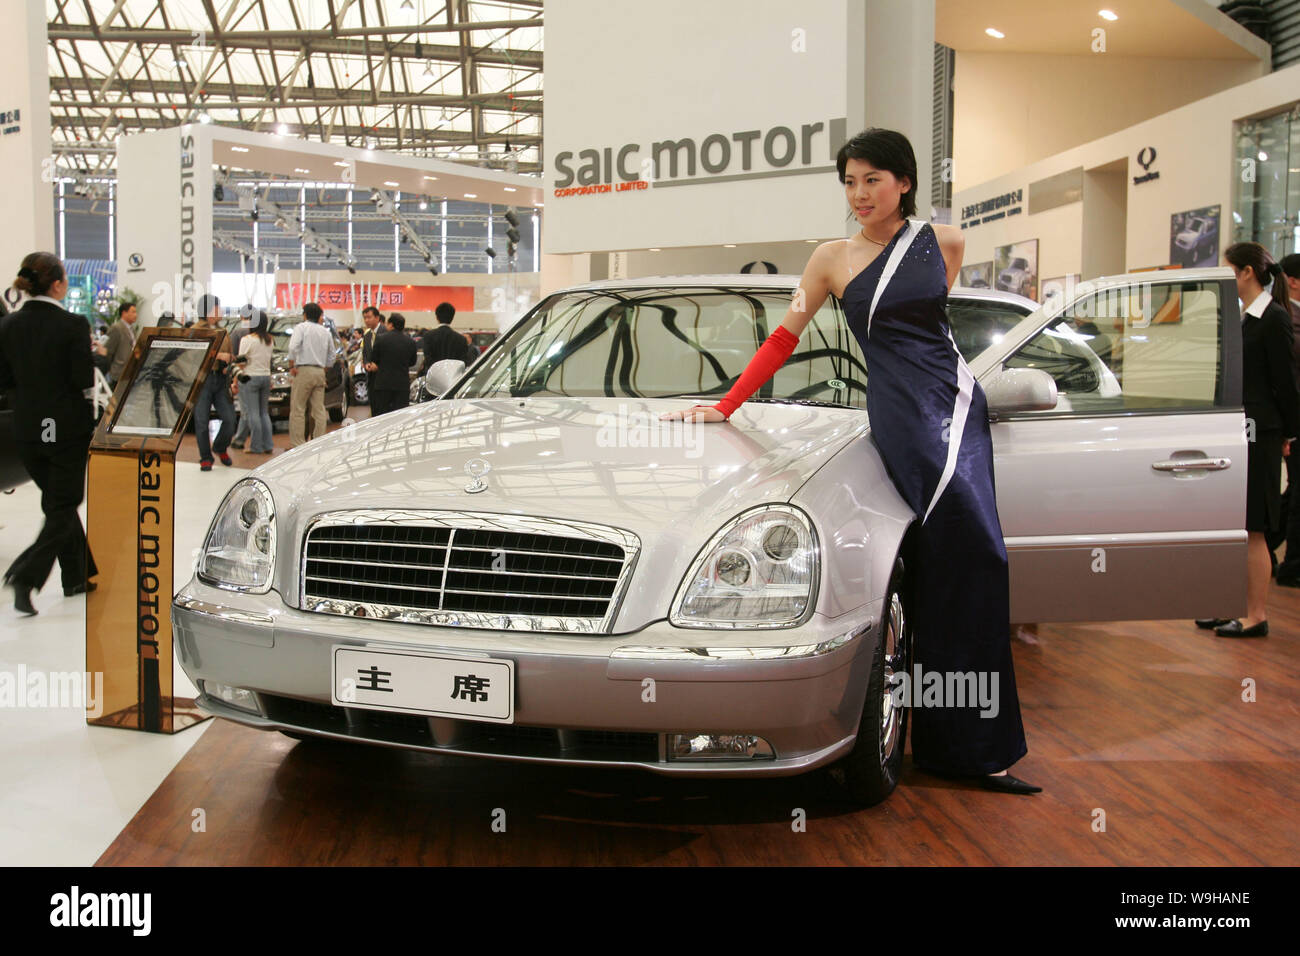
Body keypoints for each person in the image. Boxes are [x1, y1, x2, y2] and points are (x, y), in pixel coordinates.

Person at [661, 128, 1039, 794]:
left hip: (957, 410)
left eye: (872, 180)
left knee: (976, 561)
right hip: (901, 418)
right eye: (850, 182)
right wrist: (726, 405)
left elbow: (935, 338)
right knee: (953, 560)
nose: (859, 194)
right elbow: (784, 338)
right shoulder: (830, 259)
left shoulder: (945, 242)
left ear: (904, 183)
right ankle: (960, 746)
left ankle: (970, 747)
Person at [1196, 243, 1299, 637]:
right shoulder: (1245, 318)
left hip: (1262, 433)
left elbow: (1285, 383)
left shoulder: (1273, 318)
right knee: (1237, 525)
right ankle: (1233, 606)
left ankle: (1256, 615)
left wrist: (1288, 431)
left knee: (1254, 527)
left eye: (1229, 270)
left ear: (1247, 273)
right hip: (1241, 431)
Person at [0, 252, 99, 614]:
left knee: (57, 502)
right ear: (57, 284)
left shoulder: (8, 326)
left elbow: (4, 380)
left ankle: (77, 574)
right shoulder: (72, 325)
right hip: (62, 428)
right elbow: (82, 379)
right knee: (64, 504)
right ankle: (26, 575)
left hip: (27, 429)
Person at [1270, 253, 1300, 587]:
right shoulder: (1284, 317)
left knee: (1294, 491)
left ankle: (1269, 546)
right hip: (1291, 419)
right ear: (1292, 281)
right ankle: (1292, 564)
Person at [193, 293, 236, 471]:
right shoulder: (196, 330)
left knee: (230, 418)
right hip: (202, 379)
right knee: (201, 420)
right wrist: (218, 356)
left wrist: (229, 363)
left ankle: (220, 446)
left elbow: (230, 354)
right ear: (209, 310)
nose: (221, 310)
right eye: (218, 307)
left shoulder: (223, 331)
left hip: (221, 379)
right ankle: (205, 457)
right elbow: (194, 353)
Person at [288, 302, 332, 446]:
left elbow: (293, 347)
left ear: (305, 315)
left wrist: (291, 365)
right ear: (319, 316)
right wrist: (324, 369)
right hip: (320, 371)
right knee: (319, 409)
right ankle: (319, 442)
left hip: (304, 370)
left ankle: (298, 444)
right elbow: (332, 355)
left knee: (298, 408)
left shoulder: (301, 327)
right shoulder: (325, 331)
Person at [237, 308, 275, 455]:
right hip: (265, 377)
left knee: (253, 413)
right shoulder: (270, 340)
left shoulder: (247, 340)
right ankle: (268, 444)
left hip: (250, 377)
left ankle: (256, 447)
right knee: (264, 413)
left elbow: (241, 362)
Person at [368, 312, 418, 416]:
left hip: (383, 384)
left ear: (391, 324)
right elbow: (413, 362)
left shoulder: (381, 338)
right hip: (402, 385)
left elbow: (374, 359)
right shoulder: (410, 342)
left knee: (382, 415)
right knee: (400, 416)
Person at [419, 301, 477, 374]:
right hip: (453, 377)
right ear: (452, 318)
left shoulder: (428, 336)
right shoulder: (461, 339)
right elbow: (463, 362)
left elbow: (428, 359)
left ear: (437, 317)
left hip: (434, 375)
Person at [227, 308, 254, 450]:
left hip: (242, 374)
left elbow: (233, 356)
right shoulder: (262, 335)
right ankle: (260, 442)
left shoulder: (237, 333)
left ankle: (240, 439)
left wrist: (234, 380)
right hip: (259, 375)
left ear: (241, 316)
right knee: (259, 411)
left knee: (245, 409)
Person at [103, 300, 139, 386]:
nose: (136, 315)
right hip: (118, 373)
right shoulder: (116, 328)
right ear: (124, 313)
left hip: (130, 373)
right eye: (133, 312)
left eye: (136, 312)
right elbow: (108, 351)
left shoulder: (132, 329)